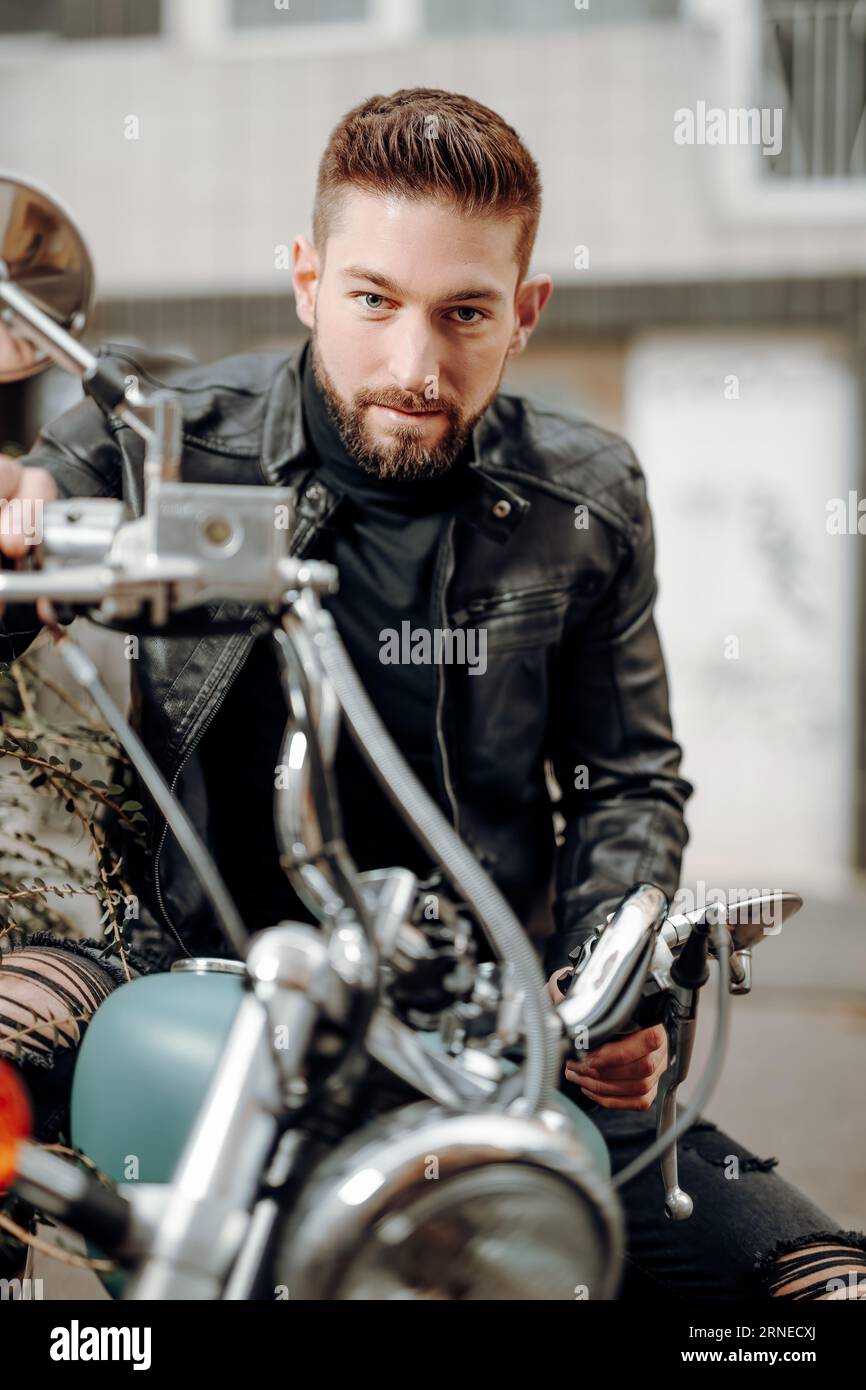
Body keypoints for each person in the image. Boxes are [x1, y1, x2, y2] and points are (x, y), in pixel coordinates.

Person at [0, 88, 864, 1301]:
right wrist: (21, 519)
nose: (414, 365)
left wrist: (608, 981)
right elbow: (49, 487)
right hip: (178, 969)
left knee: (818, 1295)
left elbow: (628, 784)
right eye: (371, 301)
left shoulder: (586, 496)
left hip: (492, 1022)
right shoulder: (166, 441)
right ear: (305, 279)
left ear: (524, 311)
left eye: (463, 312)